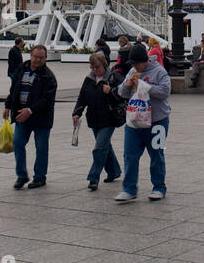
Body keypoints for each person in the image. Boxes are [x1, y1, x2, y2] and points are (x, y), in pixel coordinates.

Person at [113, 42, 171, 202]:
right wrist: (127, 85)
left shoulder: (159, 71)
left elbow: (165, 91)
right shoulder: (132, 71)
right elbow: (121, 92)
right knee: (129, 155)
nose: (134, 67)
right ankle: (129, 189)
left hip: (157, 121)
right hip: (134, 121)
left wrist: (146, 86)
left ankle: (159, 187)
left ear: (144, 60)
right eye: (132, 64)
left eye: (136, 63)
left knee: (157, 155)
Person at [4, 43, 57, 189]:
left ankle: (40, 177)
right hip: (22, 116)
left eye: (41, 58)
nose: (38, 60)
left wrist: (30, 110)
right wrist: (8, 105)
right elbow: (14, 89)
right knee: (18, 143)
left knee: (41, 148)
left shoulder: (49, 77)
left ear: (46, 58)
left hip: (40, 118)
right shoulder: (21, 70)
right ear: (30, 56)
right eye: (36, 57)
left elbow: (47, 100)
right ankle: (21, 175)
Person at [72, 52, 122, 190]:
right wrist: (77, 113)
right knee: (105, 146)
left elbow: (124, 94)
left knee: (99, 148)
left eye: (97, 67)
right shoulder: (89, 79)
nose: (94, 70)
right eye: (92, 67)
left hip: (109, 118)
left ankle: (93, 177)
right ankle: (114, 171)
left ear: (104, 65)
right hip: (94, 118)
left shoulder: (113, 78)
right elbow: (82, 97)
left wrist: (111, 91)